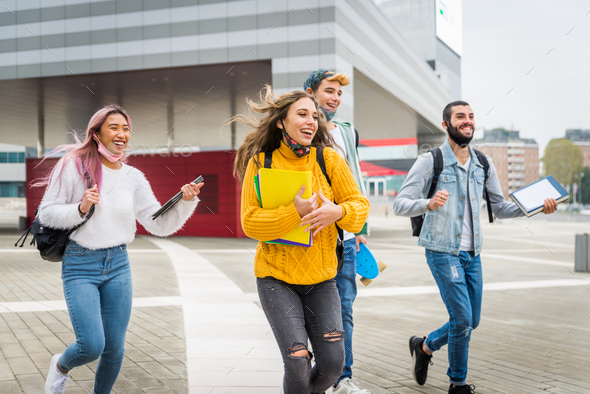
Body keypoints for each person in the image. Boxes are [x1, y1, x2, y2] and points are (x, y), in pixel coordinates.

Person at [392, 101, 557, 394]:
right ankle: (458, 383)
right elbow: (400, 203)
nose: (467, 121)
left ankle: (425, 346)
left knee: (472, 320)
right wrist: (427, 204)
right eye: (460, 117)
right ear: (446, 125)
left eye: (470, 117)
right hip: (442, 250)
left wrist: (534, 208)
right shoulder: (430, 161)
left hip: (473, 254)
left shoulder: (483, 162)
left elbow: (501, 207)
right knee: (462, 319)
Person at [38, 105, 203, 394]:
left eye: (126, 129)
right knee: (91, 345)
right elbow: (47, 213)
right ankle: (61, 366)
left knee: (114, 348)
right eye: (114, 127)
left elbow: (158, 225)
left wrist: (186, 201)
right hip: (80, 263)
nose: (122, 134)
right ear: (97, 132)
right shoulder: (74, 165)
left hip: (118, 265)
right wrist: (81, 207)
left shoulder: (133, 177)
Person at [231, 86, 370, 394]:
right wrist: (294, 213)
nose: (311, 121)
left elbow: (360, 207)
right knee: (296, 361)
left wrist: (338, 211)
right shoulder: (261, 163)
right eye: (302, 114)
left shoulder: (329, 160)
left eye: (314, 116)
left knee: (334, 364)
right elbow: (250, 222)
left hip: (322, 278)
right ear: (281, 121)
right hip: (275, 278)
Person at [304, 69, 370, 394]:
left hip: (344, 238)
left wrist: (361, 228)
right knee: (310, 309)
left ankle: (343, 378)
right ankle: (311, 373)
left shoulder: (347, 132)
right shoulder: (300, 129)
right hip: (310, 238)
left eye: (339, 93)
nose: (335, 98)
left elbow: (355, 182)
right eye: (329, 91)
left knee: (345, 308)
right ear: (310, 92)